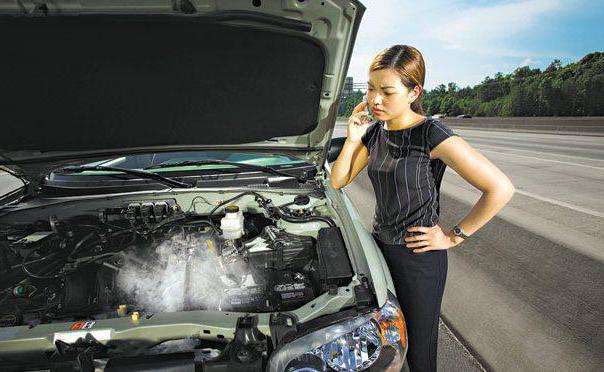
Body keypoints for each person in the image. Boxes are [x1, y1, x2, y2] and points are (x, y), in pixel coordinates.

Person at [330, 45, 515, 371]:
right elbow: (338, 180)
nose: (375, 100)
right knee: (385, 343)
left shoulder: (432, 133)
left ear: (414, 91)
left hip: (419, 260)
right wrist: (352, 138)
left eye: (387, 91)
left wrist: (454, 236)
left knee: (419, 352)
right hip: (379, 252)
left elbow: (500, 189)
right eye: (372, 88)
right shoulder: (374, 133)